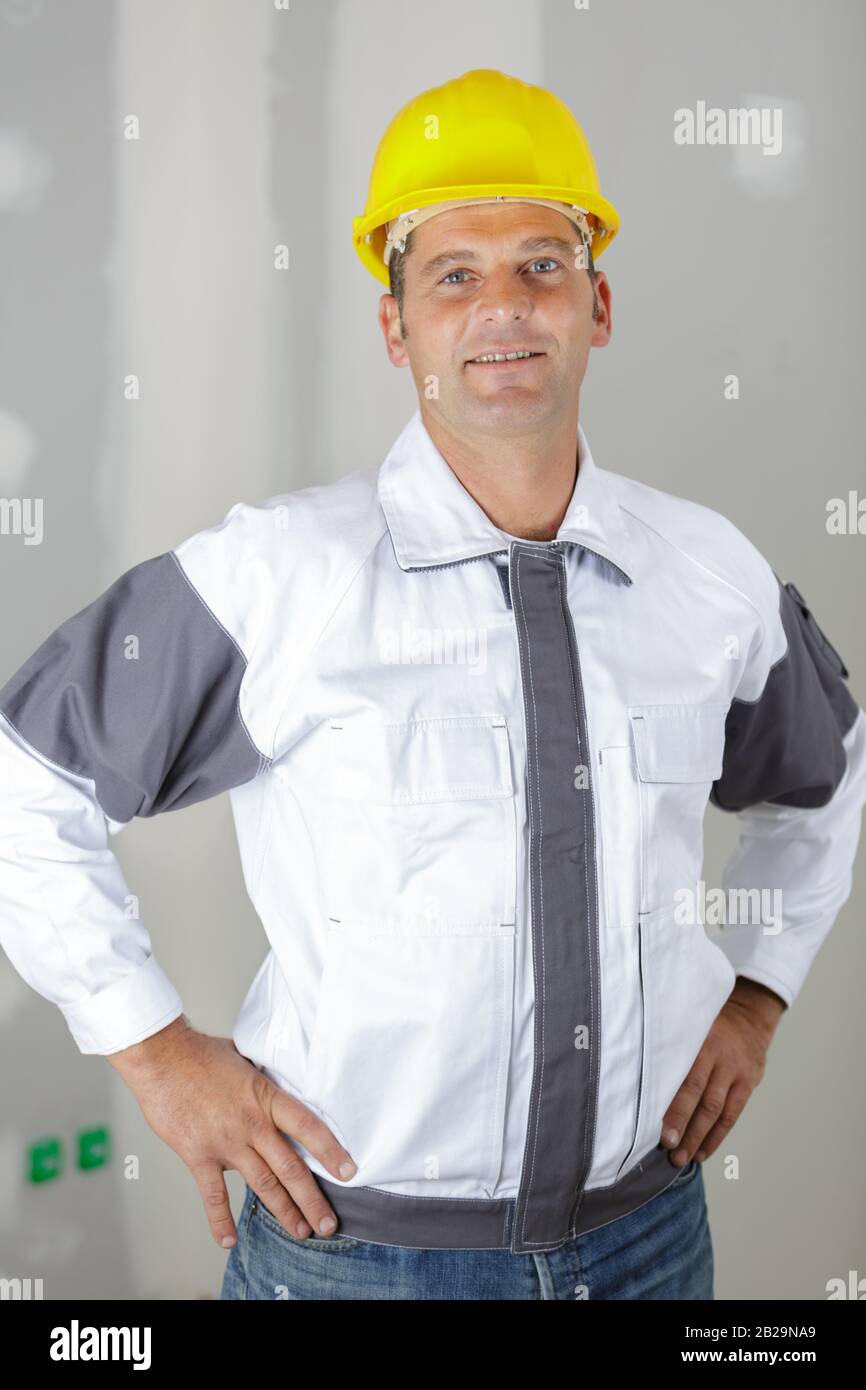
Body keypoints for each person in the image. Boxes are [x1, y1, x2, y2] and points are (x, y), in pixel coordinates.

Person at [1, 67, 864, 1302]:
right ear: (395, 325)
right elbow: (24, 774)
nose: (501, 306)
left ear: (597, 304)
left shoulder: (707, 573)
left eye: (539, 263)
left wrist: (759, 994)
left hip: (646, 1243)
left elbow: (823, 779)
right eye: (451, 274)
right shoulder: (279, 577)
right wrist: (153, 1052)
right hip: (359, 1262)